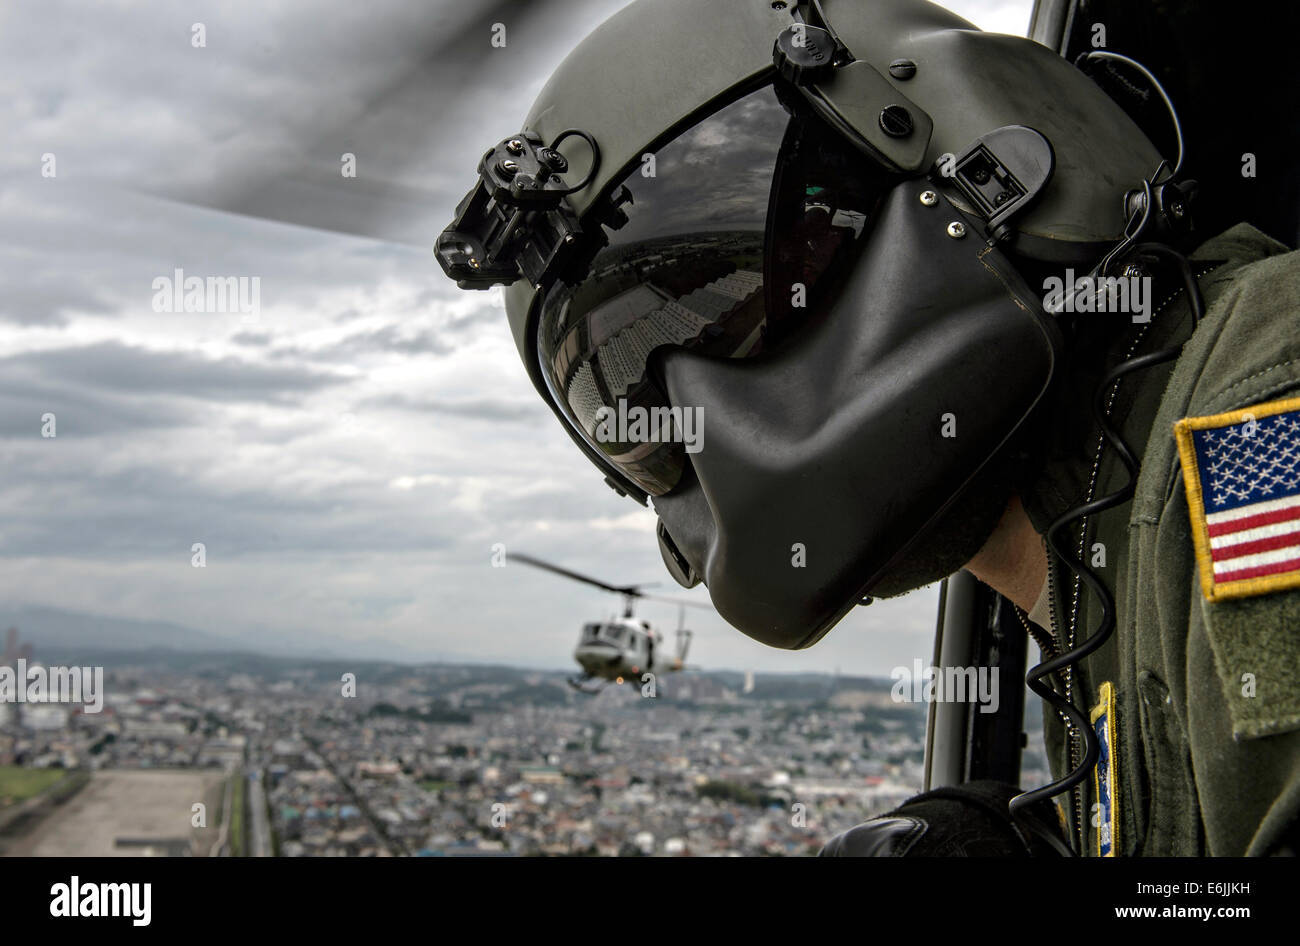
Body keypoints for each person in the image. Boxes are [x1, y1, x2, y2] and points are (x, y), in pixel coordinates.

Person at [436, 0, 1299, 855]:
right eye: (625, 398)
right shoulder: (1097, 590)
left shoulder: (1261, 408)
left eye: (731, 295)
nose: (702, 413)